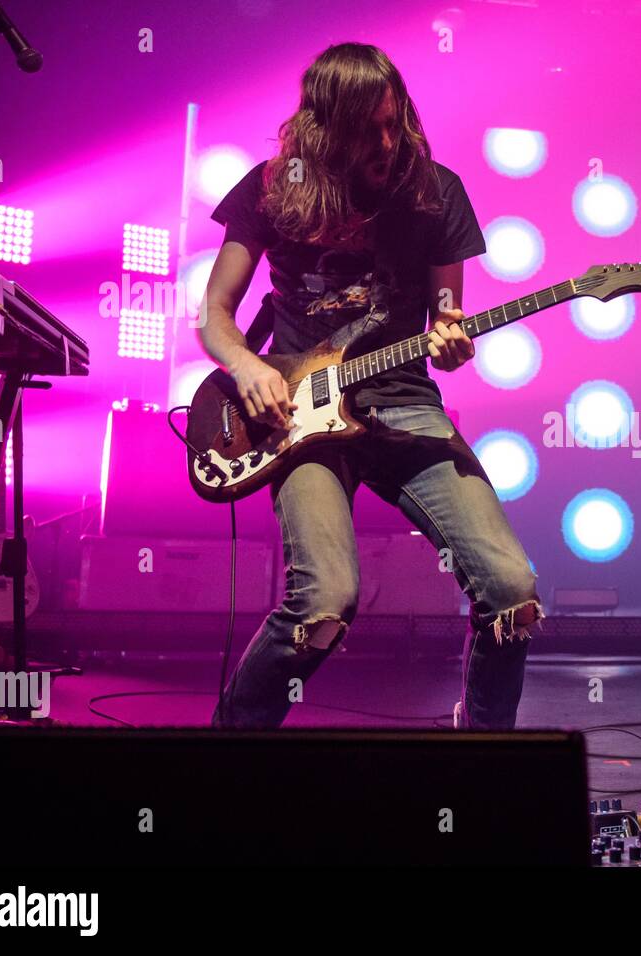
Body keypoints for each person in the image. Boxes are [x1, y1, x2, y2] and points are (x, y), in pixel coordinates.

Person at [198, 42, 542, 730]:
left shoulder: (435, 191)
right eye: (368, 129)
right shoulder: (271, 188)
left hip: (406, 401)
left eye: (396, 122)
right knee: (324, 603)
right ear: (327, 129)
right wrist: (250, 367)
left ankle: (487, 761)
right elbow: (215, 317)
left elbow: (449, 321)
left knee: (512, 592)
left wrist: (452, 341)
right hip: (301, 417)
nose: (388, 142)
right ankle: (228, 742)